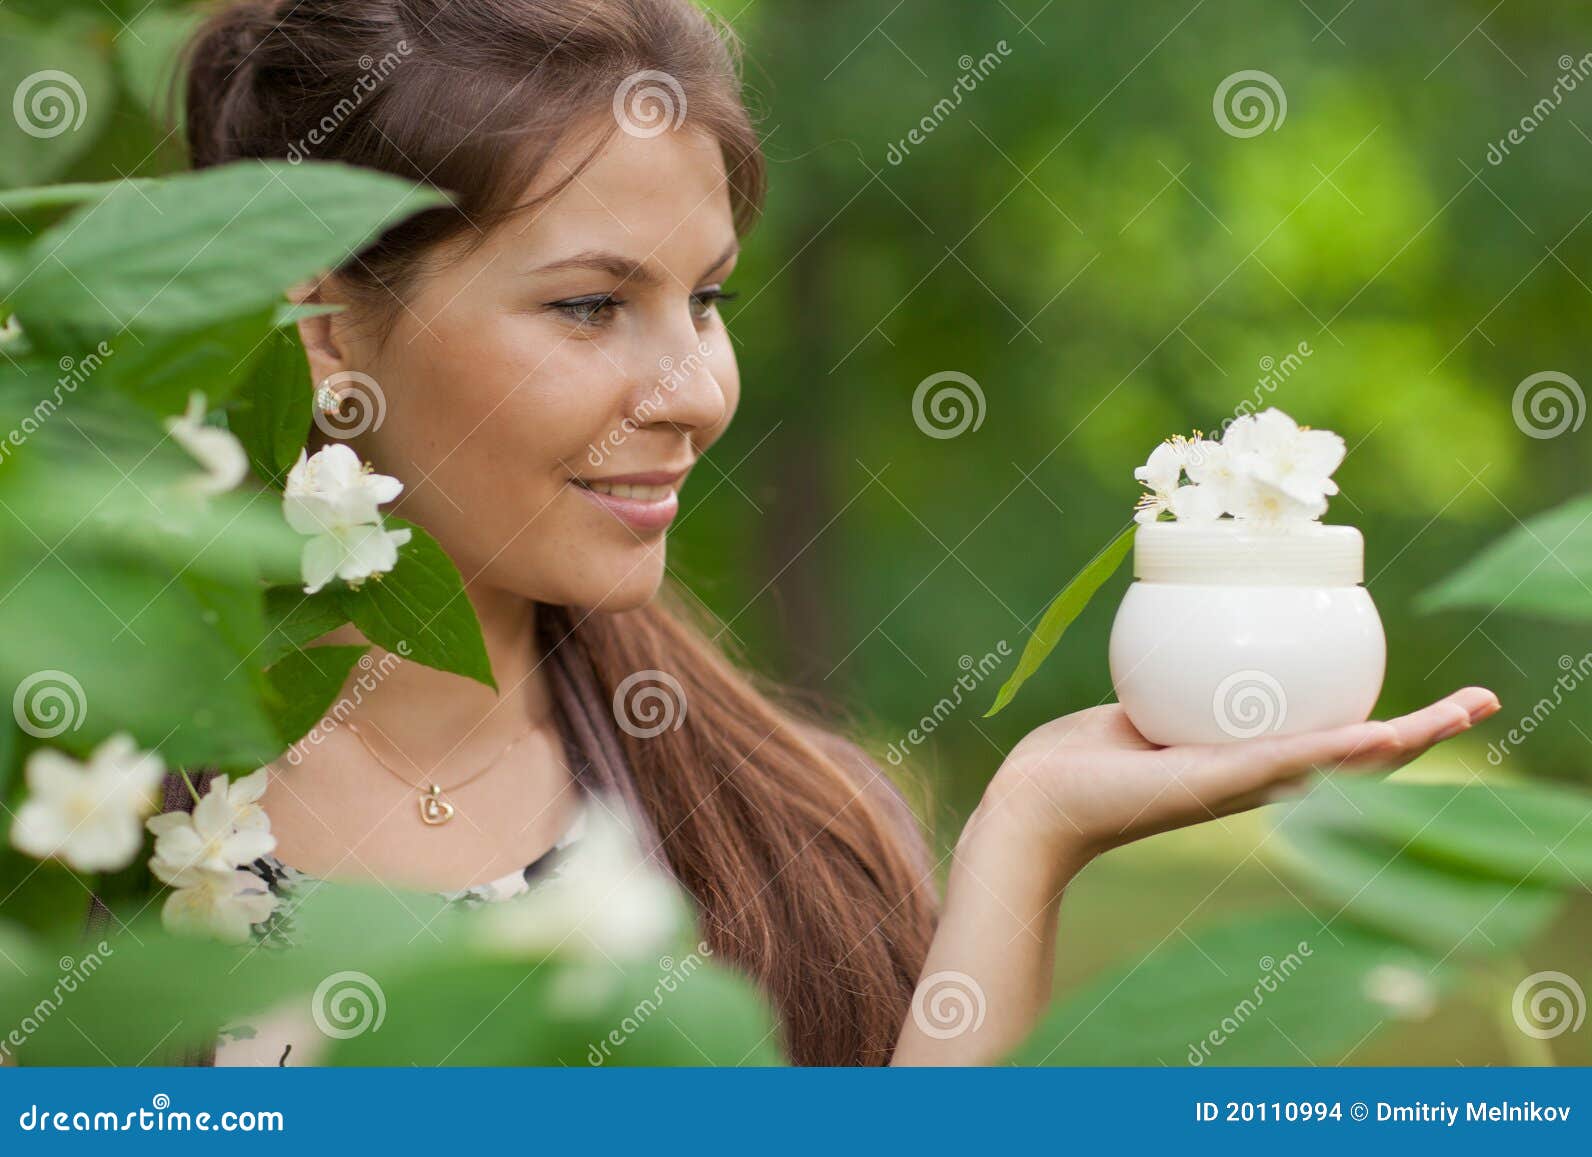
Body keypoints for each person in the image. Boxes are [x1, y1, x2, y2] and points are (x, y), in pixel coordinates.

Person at [176, 0, 1499, 1066]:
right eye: (589, 306)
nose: (696, 390)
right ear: (329, 329)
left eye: (707, 298)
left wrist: (1028, 837)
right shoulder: (86, 841)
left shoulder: (792, 843)